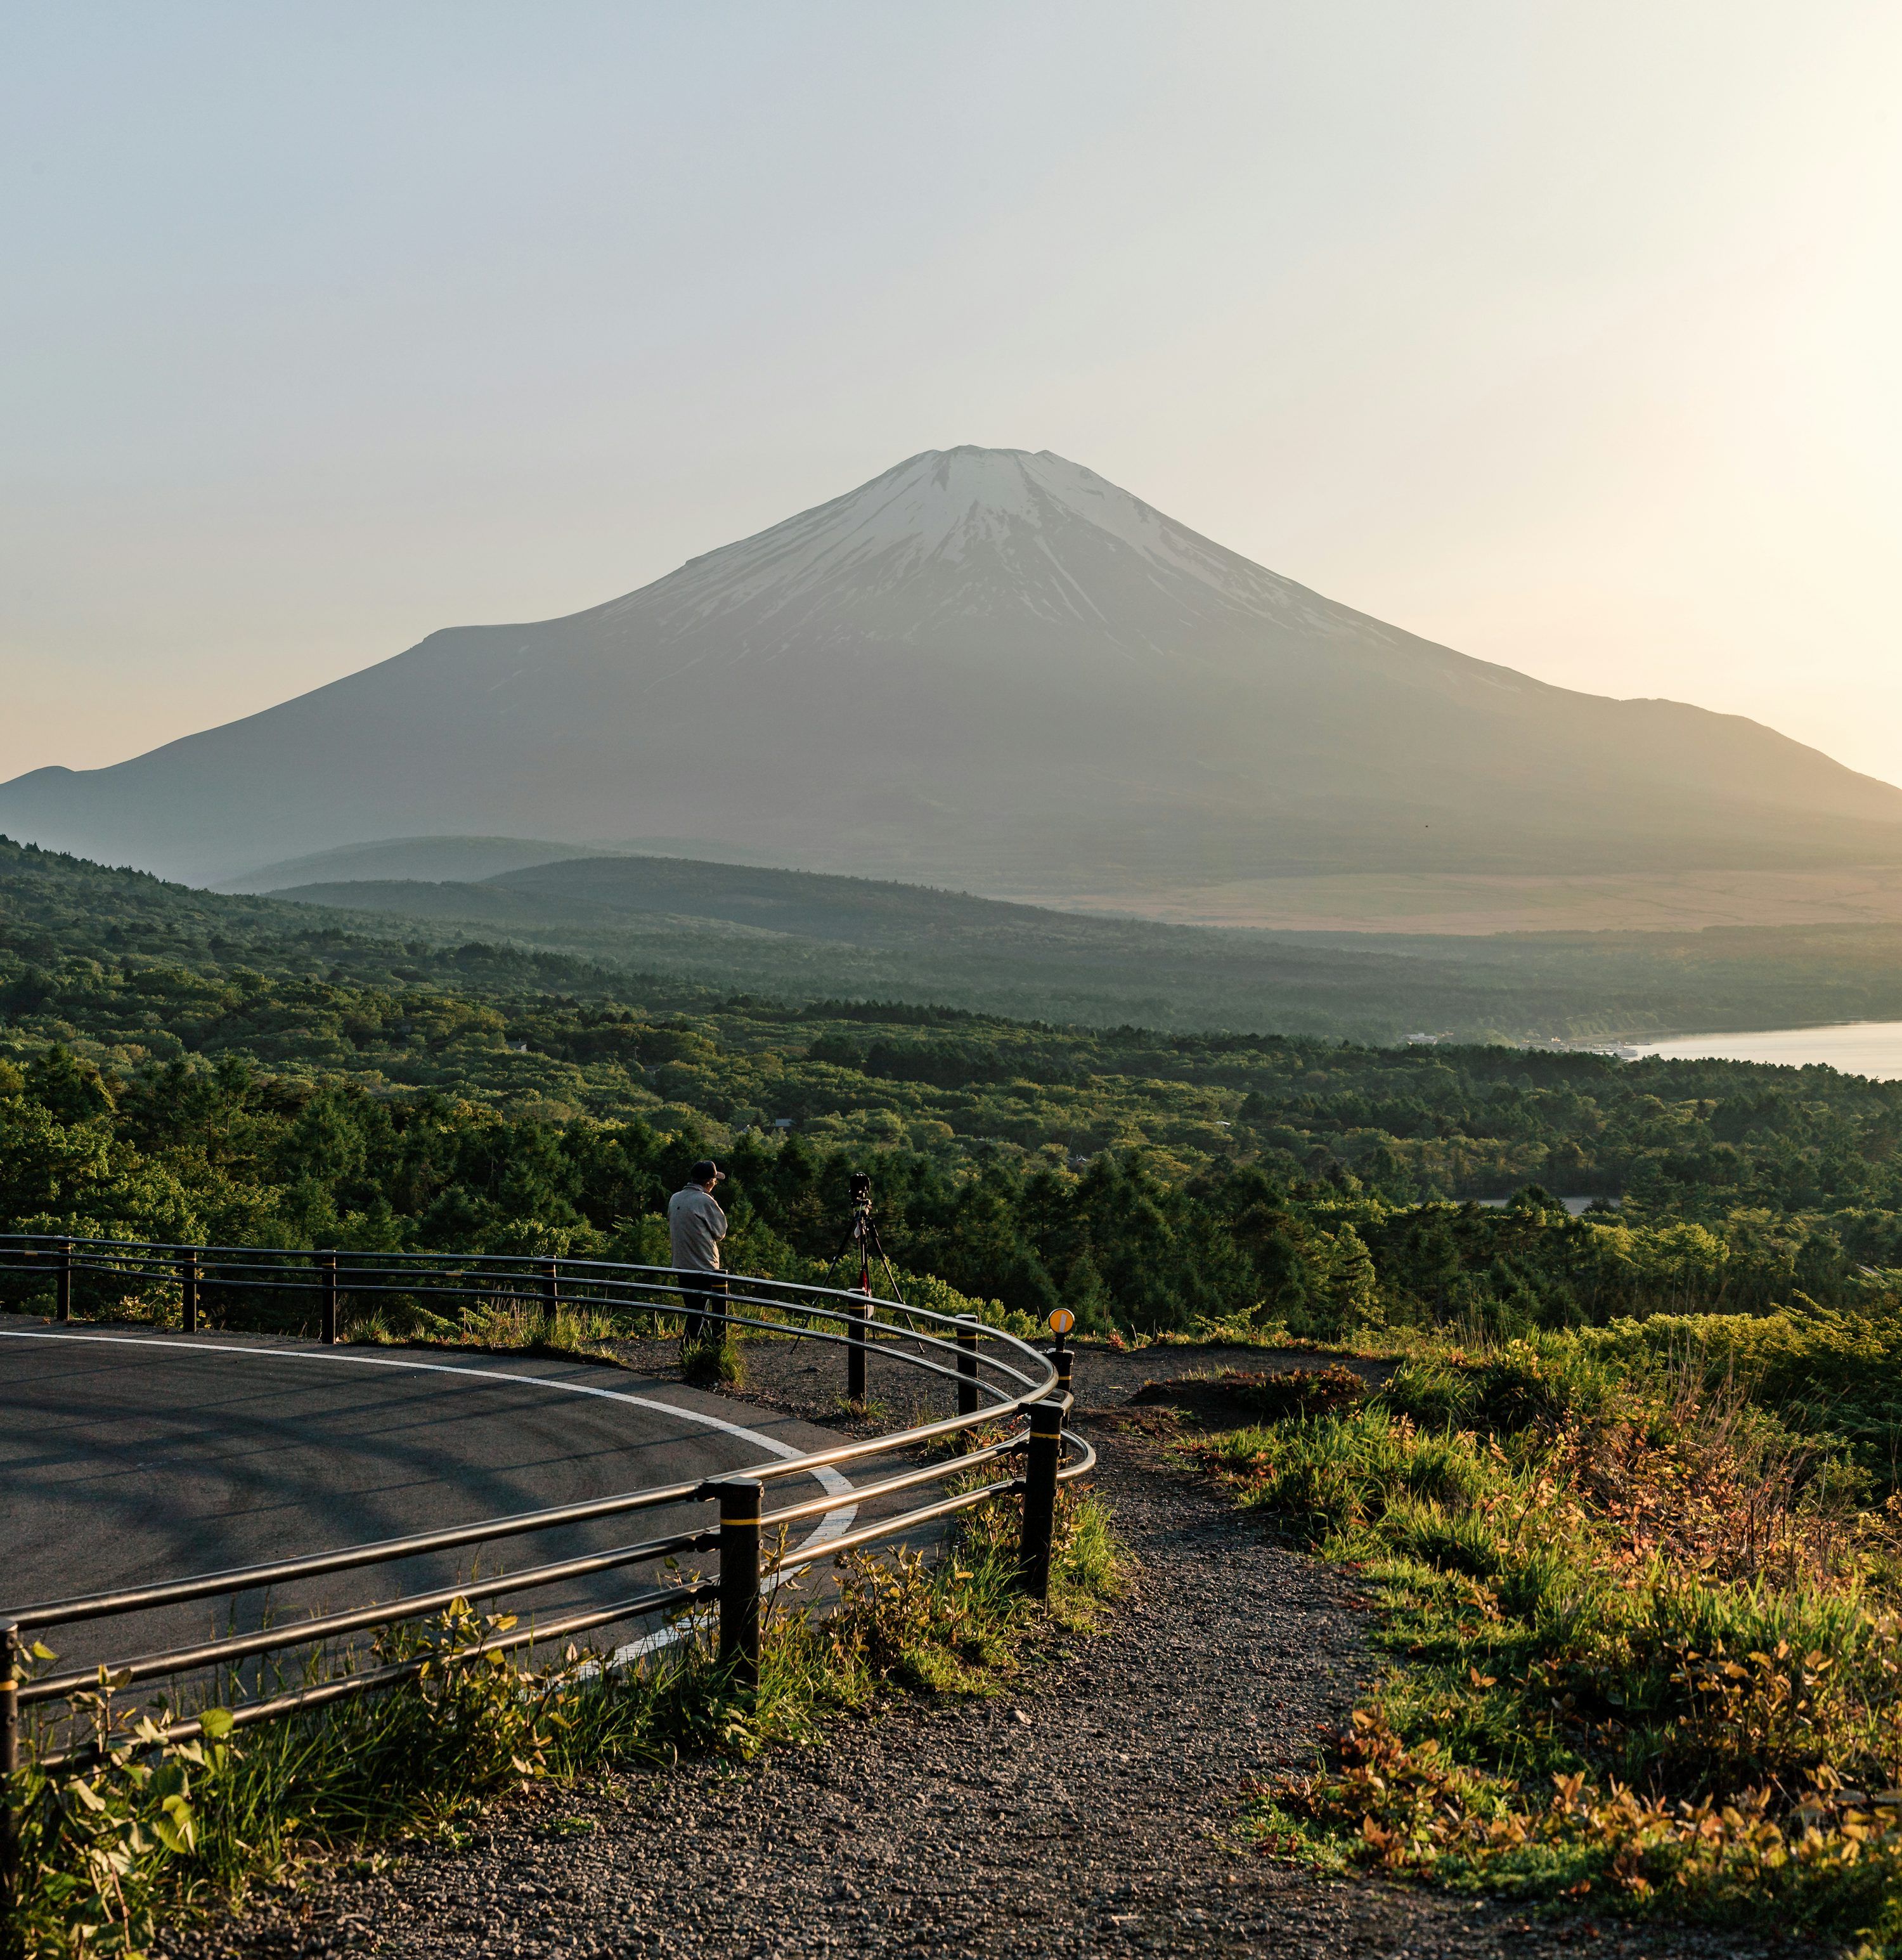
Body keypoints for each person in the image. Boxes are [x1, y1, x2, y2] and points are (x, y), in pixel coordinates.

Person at [667, 1159, 728, 1346]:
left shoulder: (675, 1198)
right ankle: (687, 1351)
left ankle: (703, 1349)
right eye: (715, 1181)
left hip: (681, 1264)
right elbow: (720, 1232)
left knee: (694, 1310)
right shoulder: (705, 1201)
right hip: (704, 1265)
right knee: (699, 1313)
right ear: (709, 1182)